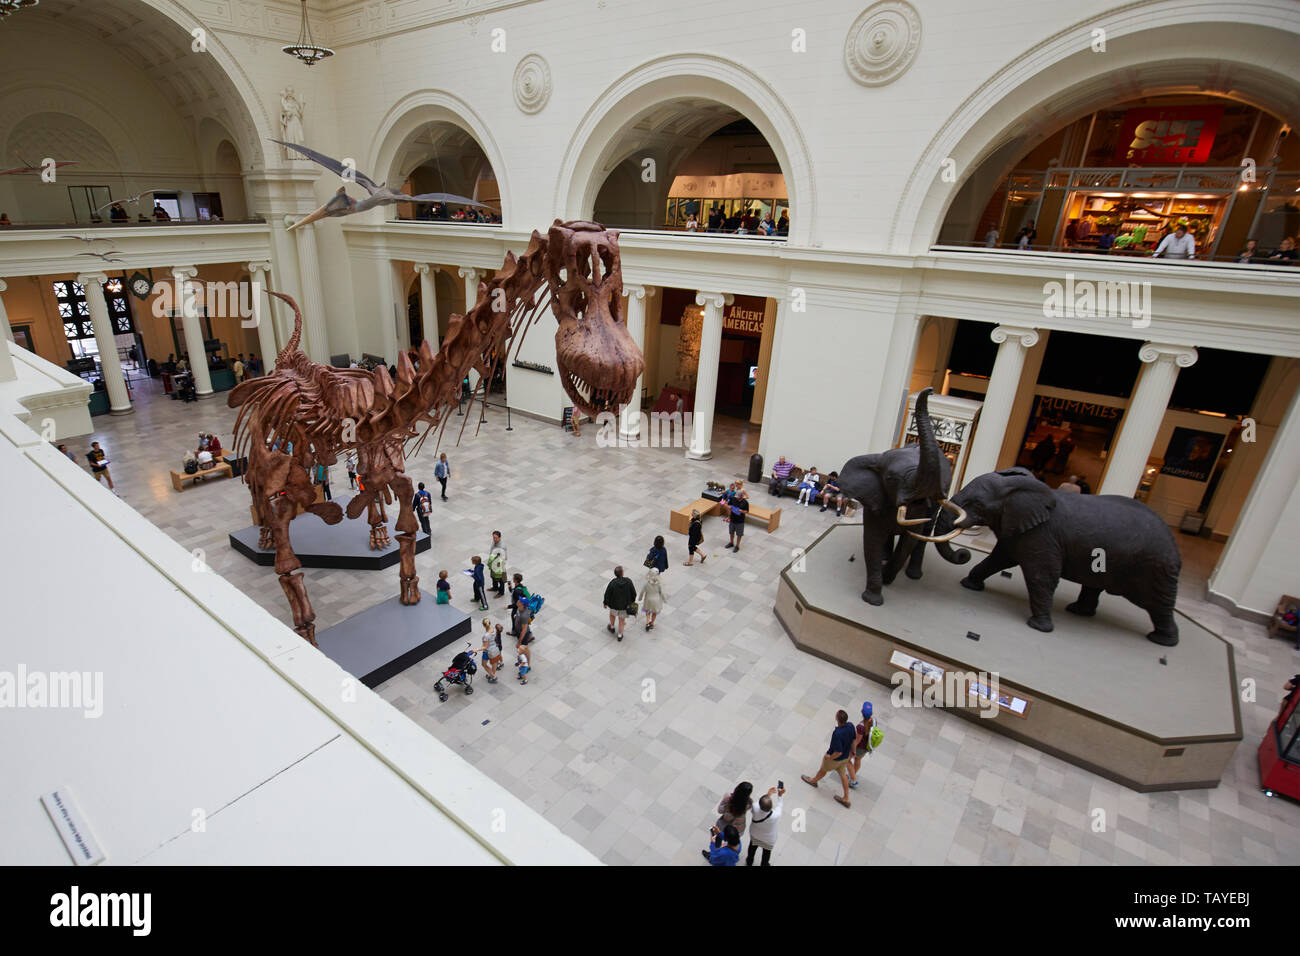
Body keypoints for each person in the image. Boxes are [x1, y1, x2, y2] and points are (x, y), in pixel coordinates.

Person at [801, 709, 855, 809]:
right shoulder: (851, 726)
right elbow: (853, 740)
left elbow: (838, 751)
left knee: (823, 769)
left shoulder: (837, 733)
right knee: (843, 775)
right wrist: (853, 752)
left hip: (835, 759)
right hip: (846, 757)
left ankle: (813, 780)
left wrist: (829, 757)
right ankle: (846, 798)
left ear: (837, 719)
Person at [703, 782, 753, 861]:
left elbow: (720, 810)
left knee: (718, 837)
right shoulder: (749, 803)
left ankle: (714, 854)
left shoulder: (729, 799)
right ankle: (729, 852)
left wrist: (724, 799)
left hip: (724, 824)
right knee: (732, 841)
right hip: (738, 827)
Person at [746, 786, 784, 866]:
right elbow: (780, 806)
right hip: (768, 839)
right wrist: (780, 796)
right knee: (766, 853)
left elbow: (760, 802)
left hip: (755, 834)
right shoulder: (776, 815)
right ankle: (764, 864)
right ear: (771, 806)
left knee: (752, 848)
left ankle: (749, 861)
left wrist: (768, 794)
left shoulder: (755, 807)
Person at [846, 702, 876, 791]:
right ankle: (853, 775)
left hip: (859, 748)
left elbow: (857, 740)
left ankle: (853, 781)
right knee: (858, 760)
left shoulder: (861, 727)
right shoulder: (874, 721)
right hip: (866, 747)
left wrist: (853, 750)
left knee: (847, 760)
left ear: (861, 712)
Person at [603, 565, 637, 642]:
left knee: (612, 615)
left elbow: (607, 594)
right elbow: (633, 593)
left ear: (615, 574)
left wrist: (605, 603)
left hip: (614, 605)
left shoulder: (613, 583)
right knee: (622, 620)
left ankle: (612, 627)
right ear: (623, 573)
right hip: (625, 606)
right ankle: (619, 635)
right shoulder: (628, 581)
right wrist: (631, 601)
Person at [640, 567, 665, 632]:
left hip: (648, 600)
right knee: (654, 612)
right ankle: (652, 623)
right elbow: (662, 593)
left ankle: (647, 622)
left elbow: (642, 592)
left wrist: (640, 598)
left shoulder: (647, 584)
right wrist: (664, 599)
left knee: (648, 611)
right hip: (656, 600)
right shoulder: (659, 584)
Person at [725, 486, 749, 552]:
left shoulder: (745, 502)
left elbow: (746, 511)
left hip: (740, 521)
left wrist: (742, 511)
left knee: (739, 534)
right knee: (731, 532)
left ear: (742, 496)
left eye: (738, 497)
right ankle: (731, 543)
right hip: (732, 519)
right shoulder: (733, 499)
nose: (737, 498)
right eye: (736, 496)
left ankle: (737, 545)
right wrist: (728, 507)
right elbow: (728, 504)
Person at [478, 618, 500, 683]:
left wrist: (475, 650)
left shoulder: (486, 636)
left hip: (487, 652)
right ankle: (492, 675)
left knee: (484, 664)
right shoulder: (494, 630)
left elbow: (485, 647)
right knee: (494, 663)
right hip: (495, 649)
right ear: (490, 623)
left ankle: (493, 676)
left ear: (483, 625)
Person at [490, 532, 508, 598]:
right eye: (493, 537)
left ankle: (501, 592)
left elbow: (503, 558)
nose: (494, 539)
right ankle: (495, 587)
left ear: (499, 537)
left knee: (501, 579)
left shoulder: (501, 546)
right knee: (493, 577)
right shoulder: (494, 542)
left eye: (495, 538)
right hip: (493, 563)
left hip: (499, 565)